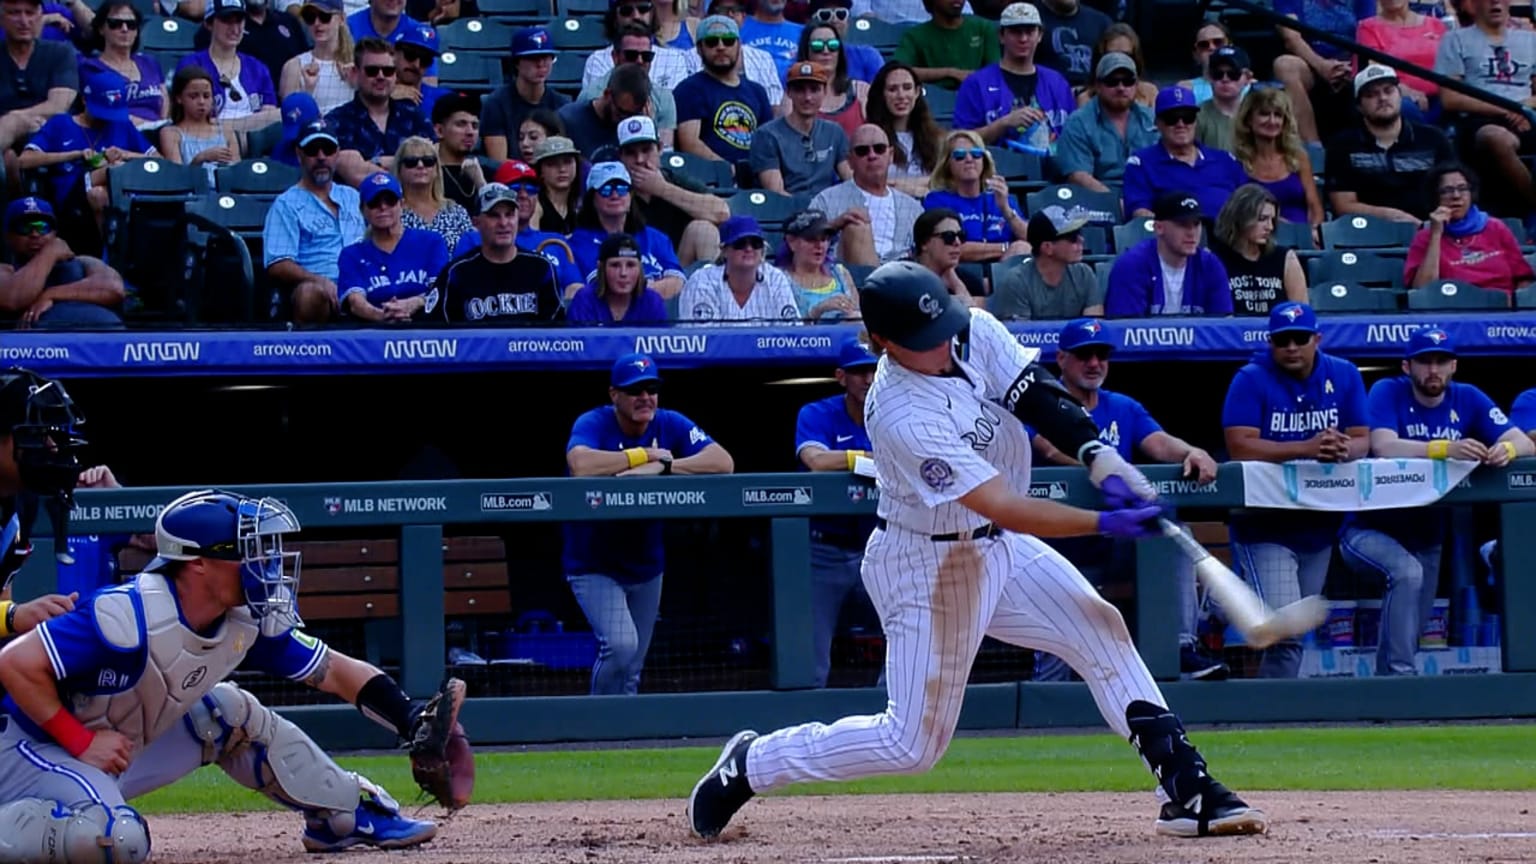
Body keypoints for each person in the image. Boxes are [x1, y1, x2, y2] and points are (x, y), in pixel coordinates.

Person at [685, 260, 1267, 841]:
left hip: (999, 549)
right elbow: (1004, 504)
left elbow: (1034, 393)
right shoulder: (898, 411)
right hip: (930, 565)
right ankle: (753, 763)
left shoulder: (971, 328)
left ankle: (1187, 787)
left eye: (943, 329)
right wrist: (1106, 521)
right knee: (910, 744)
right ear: (883, 341)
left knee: (1099, 626)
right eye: (923, 341)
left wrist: (1095, 451)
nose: (942, 345)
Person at [0, 489, 450, 857]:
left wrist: (412, 720)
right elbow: (14, 664)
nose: (264, 563)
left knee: (228, 711)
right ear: (198, 563)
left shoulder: (244, 618)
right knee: (114, 840)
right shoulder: (125, 615)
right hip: (23, 752)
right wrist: (81, 743)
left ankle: (344, 816)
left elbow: (335, 671)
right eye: (247, 551)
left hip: (105, 752)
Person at [1027, 318, 1226, 681]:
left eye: (1101, 354)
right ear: (1062, 359)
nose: (1094, 363)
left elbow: (1159, 442)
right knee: (1054, 671)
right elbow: (1050, 448)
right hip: (1058, 547)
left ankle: (1181, 646)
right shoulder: (1041, 400)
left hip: (1117, 540)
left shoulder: (1122, 406)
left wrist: (1192, 450)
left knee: (1173, 535)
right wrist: (1104, 467)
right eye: (1084, 354)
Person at [1343, 327, 1532, 675]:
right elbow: (1382, 445)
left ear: (1454, 366)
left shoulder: (1468, 397)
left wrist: (1503, 450)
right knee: (1406, 573)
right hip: (1368, 529)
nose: (1433, 370)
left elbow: (1525, 442)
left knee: (1413, 626)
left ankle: (1389, 690)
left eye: (1441, 362)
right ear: (1407, 366)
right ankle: (1402, 682)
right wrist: (1444, 448)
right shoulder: (1388, 390)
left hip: (1428, 537)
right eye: (1424, 362)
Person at [564, 354, 734, 695]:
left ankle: (623, 743)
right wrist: (644, 455)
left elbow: (722, 462)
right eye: (635, 390)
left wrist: (667, 467)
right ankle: (596, 724)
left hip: (646, 565)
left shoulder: (669, 422)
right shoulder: (595, 421)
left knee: (633, 666)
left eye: (651, 389)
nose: (645, 397)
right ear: (614, 394)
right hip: (594, 562)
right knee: (621, 646)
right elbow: (580, 463)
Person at [1220, 301, 1369, 678]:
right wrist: (1307, 446)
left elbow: (1362, 439)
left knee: (1293, 633)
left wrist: (1342, 449)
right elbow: (1240, 445)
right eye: (1282, 340)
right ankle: (1271, 714)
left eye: (1299, 339)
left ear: (1316, 339)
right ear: (1271, 342)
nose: (1291, 347)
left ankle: (1271, 715)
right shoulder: (1251, 378)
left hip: (1318, 523)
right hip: (1264, 524)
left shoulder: (1345, 374)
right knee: (1284, 629)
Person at [793, 338, 880, 688]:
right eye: (860, 372)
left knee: (907, 638)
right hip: (824, 550)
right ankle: (804, 731)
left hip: (879, 546)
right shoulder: (817, 413)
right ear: (841, 376)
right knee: (811, 660)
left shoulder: (893, 414)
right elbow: (815, 460)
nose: (868, 379)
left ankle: (896, 727)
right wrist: (865, 459)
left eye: (873, 370)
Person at [0, 368, 94, 628]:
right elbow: (7, 614)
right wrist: (12, 617)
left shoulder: (19, 502)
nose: (51, 446)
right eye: (34, 435)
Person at [422, 182, 562, 323]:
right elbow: (436, 332)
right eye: (494, 216)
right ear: (476, 222)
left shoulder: (540, 267)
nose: (503, 223)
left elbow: (559, 331)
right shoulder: (457, 272)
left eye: (509, 214)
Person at [1405, 161, 1535, 294]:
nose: (1456, 196)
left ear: (1471, 193)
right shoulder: (1425, 237)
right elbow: (1423, 291)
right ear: (1435, 197)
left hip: (1502, 308)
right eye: (1447, 190)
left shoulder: (1496, 228)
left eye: (1462, 188)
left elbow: (1523, 278)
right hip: (1454, 308)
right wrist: (1436, 234)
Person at [336, 171, 449, 321]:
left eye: (390, 201)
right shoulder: (352, 254)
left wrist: (411, 304)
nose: (383, 207)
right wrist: (384, 316)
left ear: (401, 204)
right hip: (374, 333)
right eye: (374, 202)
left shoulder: (431, 242)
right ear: (363, 210)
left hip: (425, 331)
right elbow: (356, 302)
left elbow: (439, 290)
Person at [1209, 183, 1308, 317]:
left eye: (1272, 220)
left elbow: (1300, 313)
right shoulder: (1214, 259)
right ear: (1241, 218)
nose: (1270, 227)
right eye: (1262, 219)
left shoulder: (1285, 258)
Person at [565, 232, 670, 324]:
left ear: (640, 269)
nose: (623, 273)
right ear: (601, 268)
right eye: (615, 265)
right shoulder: (585, 299)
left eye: (630, 265)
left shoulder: (652, 301)